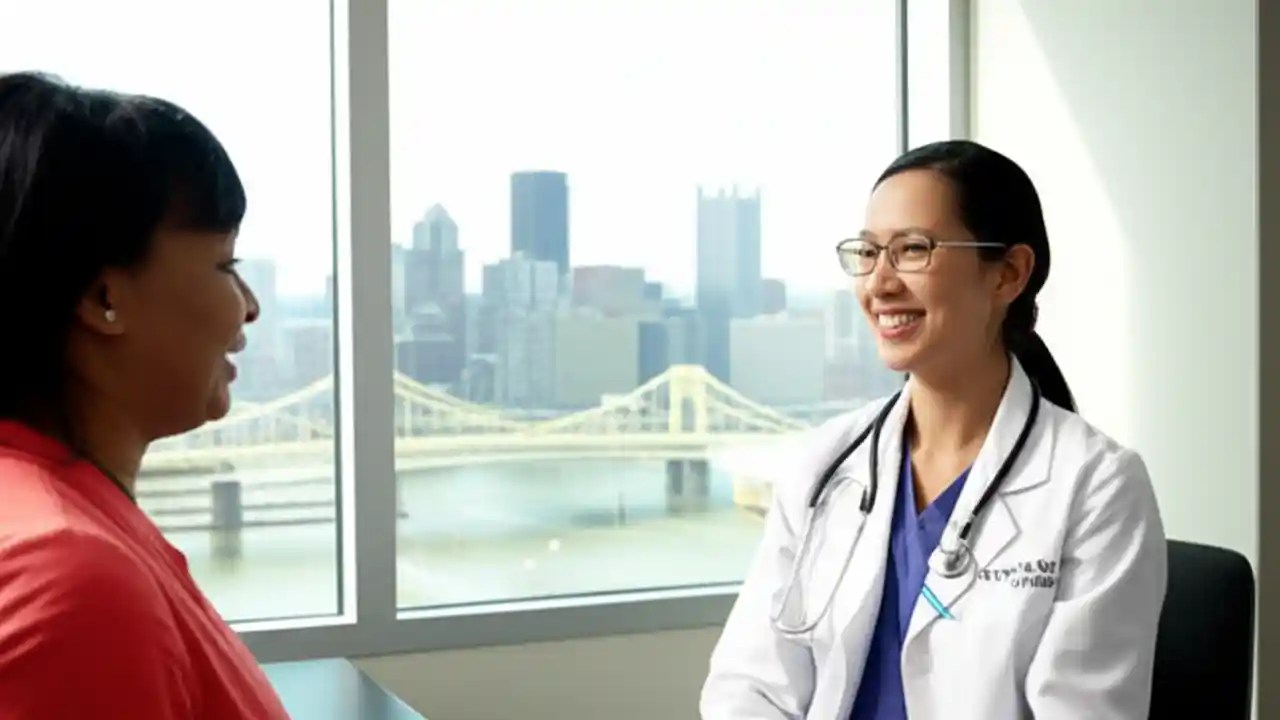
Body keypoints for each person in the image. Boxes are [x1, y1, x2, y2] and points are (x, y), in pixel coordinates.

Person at [700, 140, 1167, 719]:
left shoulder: (1096, 486)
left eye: (913, 250)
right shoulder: (825, 466)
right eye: (868, 253)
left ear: (1009, 274)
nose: (880, 283)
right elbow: (748, 687)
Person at [0, 73, 289, 718]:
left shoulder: (63, 516)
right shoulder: (71, 581)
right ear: (105, 299)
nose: (250, 307)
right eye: (226, 266)